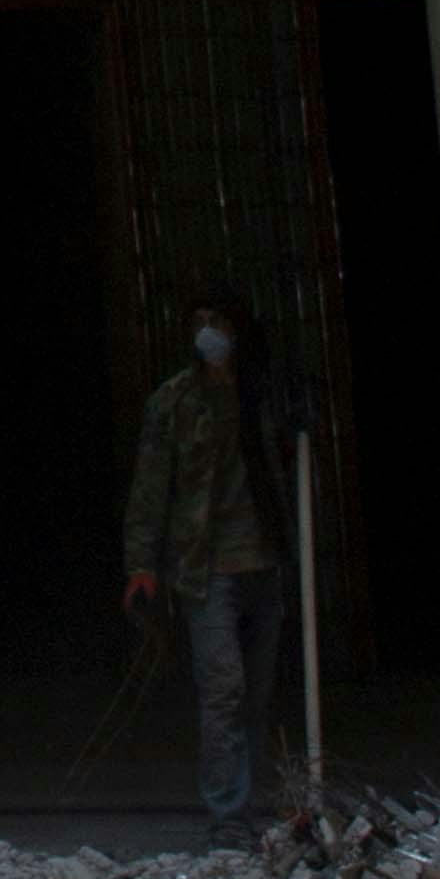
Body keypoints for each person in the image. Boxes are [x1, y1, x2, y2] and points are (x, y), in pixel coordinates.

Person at [122, 287, 293, 836]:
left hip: (264, 560)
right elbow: (150, 490)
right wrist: (141, 566)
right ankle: (227, 811)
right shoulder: (173, 404)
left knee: (257, 692)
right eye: (198, 324)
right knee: (224, 687)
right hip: (206, 567)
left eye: (216, 322)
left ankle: (253, 799)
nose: (207, 334)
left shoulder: (263, 397)